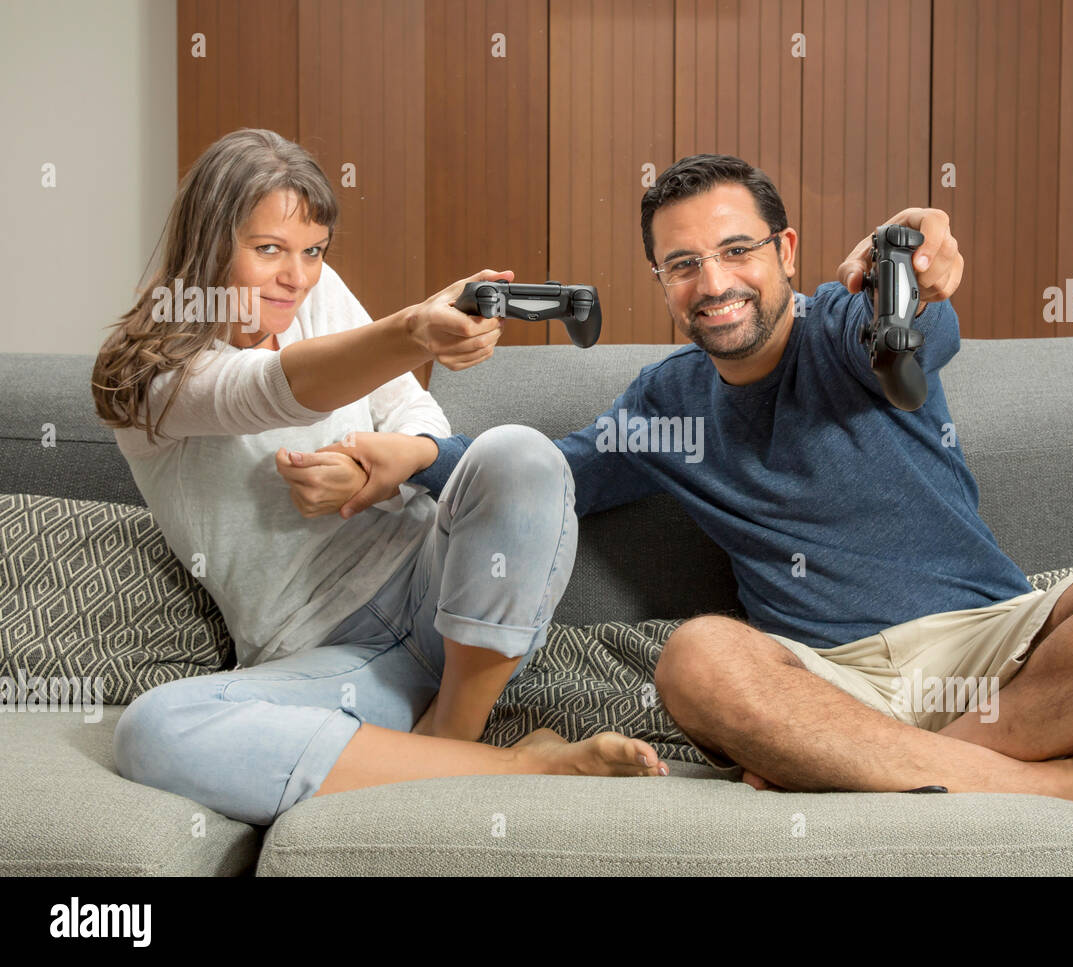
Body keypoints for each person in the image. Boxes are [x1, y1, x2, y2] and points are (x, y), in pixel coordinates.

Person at [291, 153, 1073, 817]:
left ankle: (905, 773)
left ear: (786, 252)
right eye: (684, 263)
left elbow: (908, 341)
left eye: (737, 251)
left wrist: (921, 262)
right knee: (697, 659)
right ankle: (1067, 782)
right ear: (662, 280)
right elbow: (557, 470)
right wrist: (410, 458)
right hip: (826, 685)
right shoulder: (671, 400)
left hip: (991, 651)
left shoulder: (846, 328)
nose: (714, 282)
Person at [91, 129, 667, 827]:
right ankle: (514, 762)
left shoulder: (316, 292)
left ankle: (450, 737)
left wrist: (383, 467)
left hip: (456, 608)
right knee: (153, 730)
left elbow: (414, 412)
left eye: (313, 250)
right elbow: (265, 389)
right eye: (268, 249)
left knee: (521, 454)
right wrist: (414, 331)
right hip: (336, 665)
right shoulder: (143, 374)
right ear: (207, 242)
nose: (296, 277)